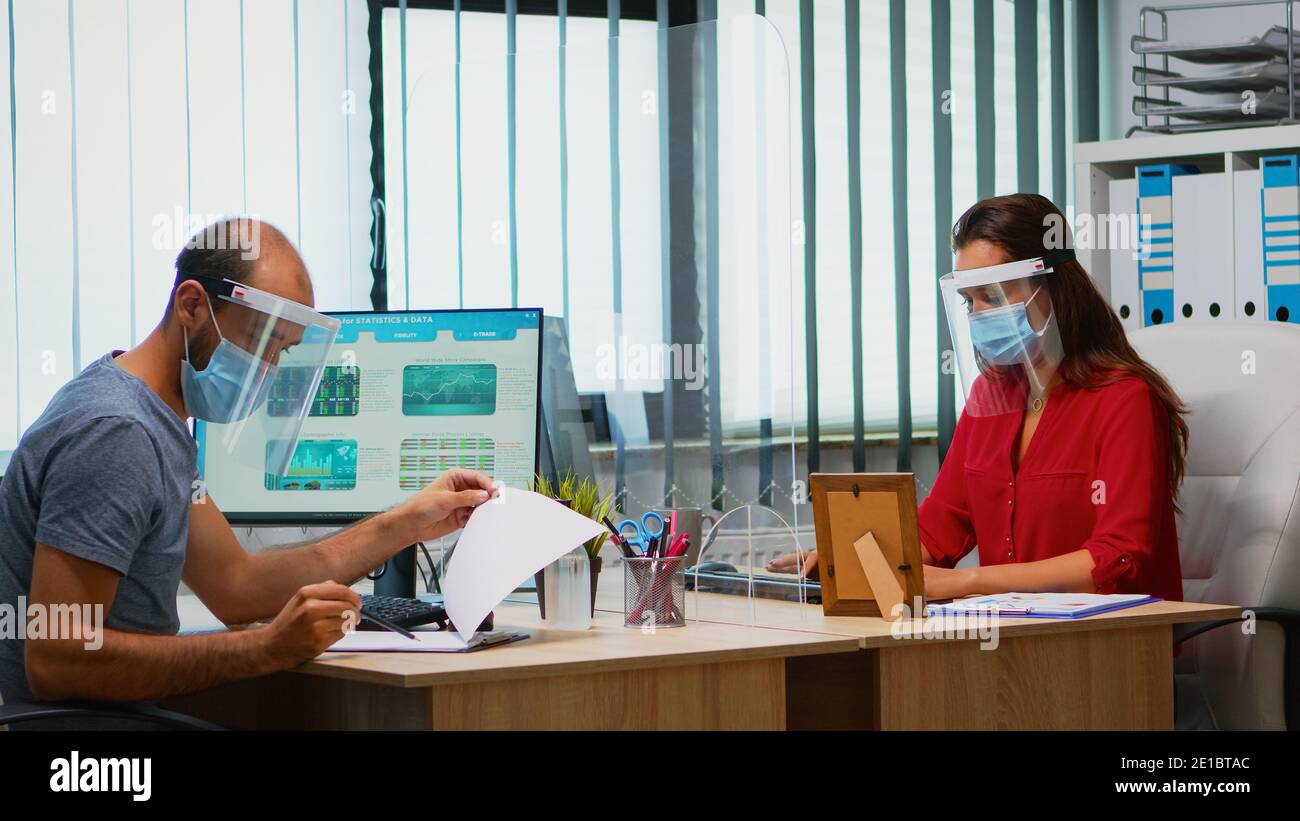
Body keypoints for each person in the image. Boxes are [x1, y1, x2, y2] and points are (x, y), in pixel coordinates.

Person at [0, 218, 495, 715]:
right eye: (261, 341)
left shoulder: (156, 422)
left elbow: (235, 586)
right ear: (191, 305)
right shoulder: (117, 432)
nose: (268, 368)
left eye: (282, 350)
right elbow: (58, 660)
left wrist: (405, 523)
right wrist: (264, 649)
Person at [768, 193, 1187, 603]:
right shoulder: (991, 396)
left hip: (1113, 645)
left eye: (994, 295)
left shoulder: (1124, 399)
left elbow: (1118, 558)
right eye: (970, 299)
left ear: (1051, 288)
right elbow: (939, 528)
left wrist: (967, 582)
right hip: (1012, 642)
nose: (980, 312)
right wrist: (848, 561)